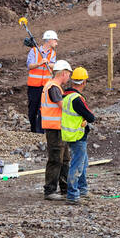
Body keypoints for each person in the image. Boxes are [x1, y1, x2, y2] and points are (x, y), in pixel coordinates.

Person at [60, 66, 97, 204]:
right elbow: (91, 117)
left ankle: (82, 189)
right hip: (77, 136)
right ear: (83, 82)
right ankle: (73, 195)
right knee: (77, 165)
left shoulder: (66, 95)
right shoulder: (76, 99)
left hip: (70, 134)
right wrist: (86, 119)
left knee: (83, 162)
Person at [41, 60, 72, 200]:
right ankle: (50, 190)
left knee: (64, 159)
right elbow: (63, 106)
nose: (69, 78)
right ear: (64, 73)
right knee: (55, 159)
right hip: (54, 129)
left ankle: (65, 188)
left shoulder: (55, 87)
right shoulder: (53, 87)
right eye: (69, 75)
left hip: (60, 129)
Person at [25, 30, 58, 133]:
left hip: (45, 87)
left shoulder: (52, 53)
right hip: (34, 87)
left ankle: (40, 132)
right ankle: (33, 130)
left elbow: (54, 65)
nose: (56, 42)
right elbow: (29, 65)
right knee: (32, 110)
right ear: (49, 40)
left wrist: (49, 63)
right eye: (55, 40)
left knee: (43, 109)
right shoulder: (34, 51)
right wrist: (39, 63)